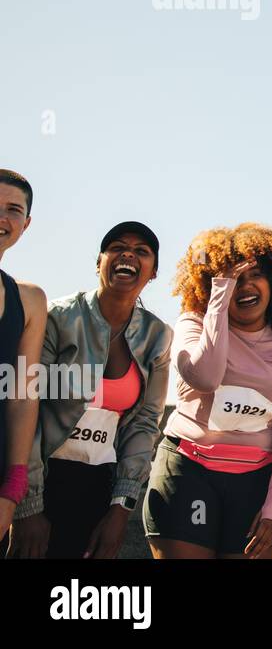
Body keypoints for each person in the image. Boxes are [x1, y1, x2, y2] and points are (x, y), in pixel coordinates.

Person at [142, 224, 272, 559]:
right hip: (187, 468)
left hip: (254, 480)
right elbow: (205, 377)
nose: (246, 285)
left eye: (256, 274)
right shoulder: (192, 323)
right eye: (234, 276)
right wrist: (219, 295)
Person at [10, 222, 172, 559]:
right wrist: (29, 507)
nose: (128, 253)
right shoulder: (57, 317)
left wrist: (120, 508)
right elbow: (27, 407)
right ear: (98, 261)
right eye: (116, 247)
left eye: (141, 251)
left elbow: (145, 422)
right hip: (41, 476)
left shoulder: (157, 336)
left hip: (98, 483)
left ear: (153, 272)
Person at [0, 170, 48, 547]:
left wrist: (13, 489)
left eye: (13, 209)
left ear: (26, 224)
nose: (3, 217)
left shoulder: (29, 300)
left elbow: (22, 395)